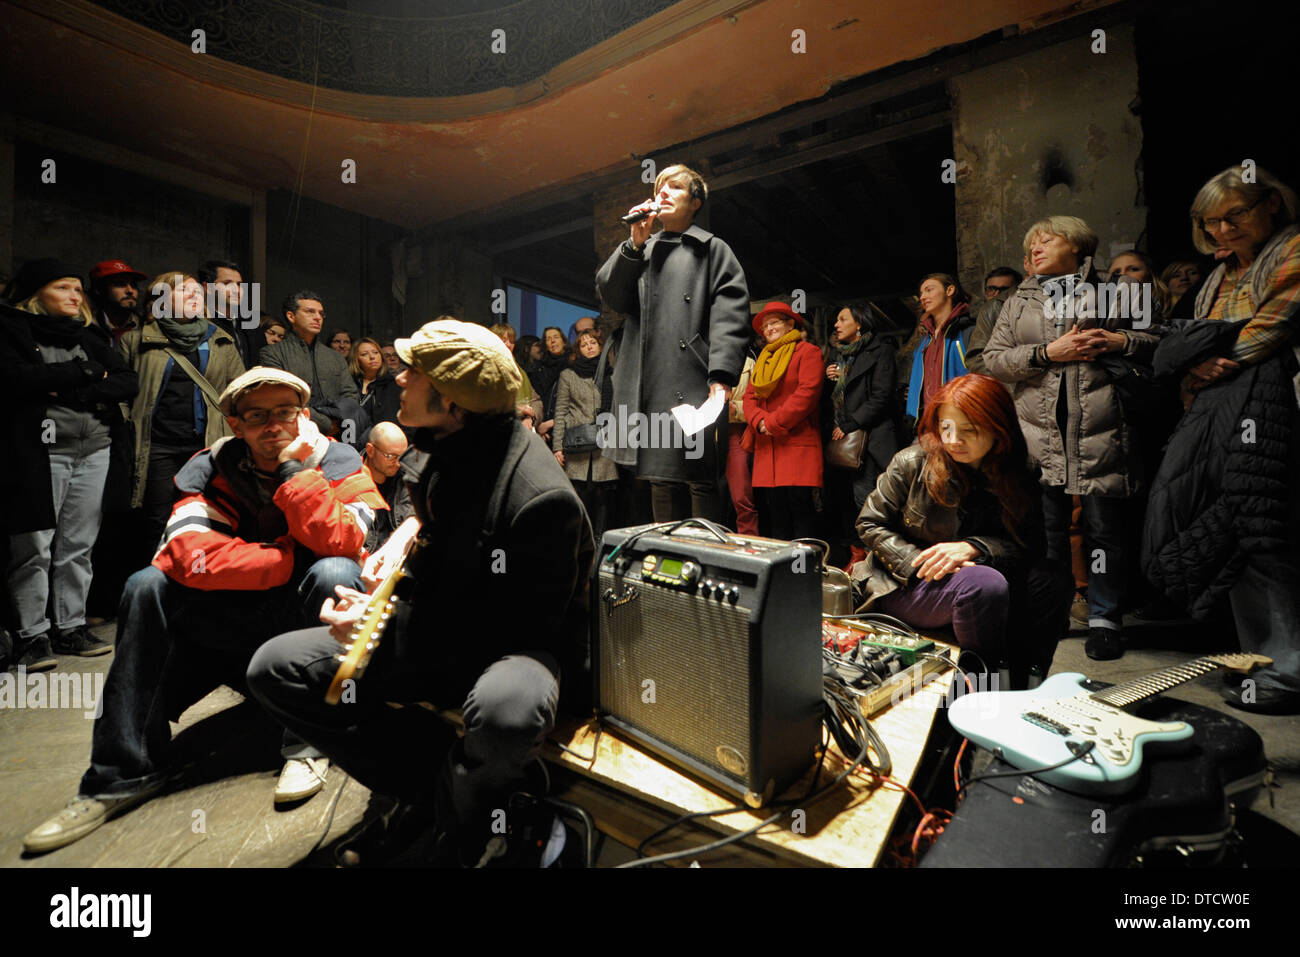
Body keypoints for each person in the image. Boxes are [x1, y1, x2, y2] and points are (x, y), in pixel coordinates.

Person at [245, 319, 595, 867]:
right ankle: (436, 792)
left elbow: (525, 628)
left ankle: (461, 826)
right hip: (442, 626)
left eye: (416, 372)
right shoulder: (439, 450)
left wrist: (388, 621)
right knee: (275, 666)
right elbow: (434, 562)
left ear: (453, 403)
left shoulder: (537, 497)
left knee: (506, 712)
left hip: (516, 646)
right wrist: (376, 603)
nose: (400, 377)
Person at [22, 368, 386, 853]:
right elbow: (186, 553)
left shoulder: (341, 463)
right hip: (228, 632)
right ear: (236, 424)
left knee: (336, 574)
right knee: (146, 584)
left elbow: (345, 542)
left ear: (303, 417)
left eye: (285, 413)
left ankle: (309, 741)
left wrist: (294, 475)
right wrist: (286, 557)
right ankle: (120, 773)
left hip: (300, 634)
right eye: (258, 416)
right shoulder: (211, 468)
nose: (272, 425)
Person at [1144, 165, 1300, 714]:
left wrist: (1211, 363)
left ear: (1271, 204)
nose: (1225, 231)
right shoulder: (1221, 272)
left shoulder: (1294, 250)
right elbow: (1195, 336)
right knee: (1233, 527)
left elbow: (1274, 325)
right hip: (1225, 410)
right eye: (1212, 224)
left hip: (1275, 405)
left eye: (1235, 215)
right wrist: (1192, 368)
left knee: (1269, 531)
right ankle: (1259, 660)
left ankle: (1291, 668)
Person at [983, 215, 1158, 662]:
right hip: (1037, 432)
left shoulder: (1117, 291)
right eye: (1031, 243)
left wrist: (1117, 341)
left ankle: (1104, 619)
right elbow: (993, 359)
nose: (1036, 248)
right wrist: (1046, 353)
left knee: (1105, 530)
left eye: (1047, 239)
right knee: (1048, 533)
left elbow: (1157, 342)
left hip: (1101, 428)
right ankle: (1053, 613)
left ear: (1078, 246)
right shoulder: (1019, 301)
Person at [852, 374, 1072, 683]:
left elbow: (1032, 545)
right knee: (982, 584)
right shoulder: (913, 462)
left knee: (1053, 579)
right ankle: (980, 684)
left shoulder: (1021, 470)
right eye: (946, 428)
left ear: (999, 428)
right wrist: (921, 561)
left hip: (982, 572)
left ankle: (1024, 682)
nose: (954, 439)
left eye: (969, 430)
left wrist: (976, 547)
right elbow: (869, 522)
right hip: (904, 581)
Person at [595, 163, 751, 522]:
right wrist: (633, 243)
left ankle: (703, 561)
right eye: (659, 187)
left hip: (692, 381)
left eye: (675, 187)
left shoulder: (713, 250)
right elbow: (613, 297)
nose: (662, 192)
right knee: (658, 479)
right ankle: (668, 563)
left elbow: (731, 315)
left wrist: (721, 375)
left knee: (699, 476)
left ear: (695, 202)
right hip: (646, 383)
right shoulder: (639, 249)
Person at [2, 261, 139, 668]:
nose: (75, 296)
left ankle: (70, 627)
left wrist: (72, 388)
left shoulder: (87, 335)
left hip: (93, 447)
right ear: (35, 293)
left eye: (78, 289)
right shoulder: (11, 328)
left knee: (78, 545)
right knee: (34, 545)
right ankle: (31, 636)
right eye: (63, 287)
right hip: (40, 449)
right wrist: (83, 372)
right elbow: (16, 378)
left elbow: (126, 380)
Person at [119, 271, 245, 567]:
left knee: (208, 515)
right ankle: (156, 585)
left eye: (197, 292)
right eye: (183, 291)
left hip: (208, 444)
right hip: (158, 445)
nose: (194, 296)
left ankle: (200, 587)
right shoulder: (135, 340)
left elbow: (240, 390)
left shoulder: (220, 340)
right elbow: (122, 392)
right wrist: (129, 422)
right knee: (158, 518)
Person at [824, 304, 901, 565]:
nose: (836, 324)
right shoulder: (839, 356)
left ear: (859, 323)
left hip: (871, 438)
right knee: (847, 501)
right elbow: (829, 400)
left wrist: (851, 423)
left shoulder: (881, 350)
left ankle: (878, 559)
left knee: (867, 499)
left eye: (842, 318)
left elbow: (882, 396)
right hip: (844, 442)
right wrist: (828, 378)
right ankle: (858, 555)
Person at [740, 302, 824, 541]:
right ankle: (782, 570)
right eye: (765, 326)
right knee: (775, 511)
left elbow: (807, 394)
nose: (768, 328)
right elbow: (749, 396)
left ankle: (803, 568)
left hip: (795, 441)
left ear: (790, 324)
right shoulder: (764, 358)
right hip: (768, 445)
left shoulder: (808, 352)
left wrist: (772, 423)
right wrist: (759, 422)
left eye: (774, 322)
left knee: (800, 508)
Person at [260, 291, 360, 441]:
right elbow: (282, 398)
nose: (317, 317)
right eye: (309, 312)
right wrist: (326, 424)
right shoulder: (272, 353)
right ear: (291, 316)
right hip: (292, 434)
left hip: (337, 435)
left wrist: (339, 422)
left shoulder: (335, 357)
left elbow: (351, 395)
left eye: (321, 313)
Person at [553, 329, 618, 546]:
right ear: (577, 350)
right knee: (578, 494)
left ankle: (600, 541)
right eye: (583, 344)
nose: (589, 346)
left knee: (603, 497)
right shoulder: (568, 375)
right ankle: (577, 541)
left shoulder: (612, 373)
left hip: (605, 442)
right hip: (577, 442)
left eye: (593, 342)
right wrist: (557, 448)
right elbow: (560, 411)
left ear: (600, 346)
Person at [903, 273, 974, 423]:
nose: (923, 297)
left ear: (949, 291)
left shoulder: (968, 331)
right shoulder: (924, 340)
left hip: (960, 420)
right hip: (926, 423)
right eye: (921, 293)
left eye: (929, 290)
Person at [198, 259, 259, 368]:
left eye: (239, 284)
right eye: (227, 283)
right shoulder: (200, 324)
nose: (236, 289)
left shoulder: (252, 325)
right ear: (208, 288)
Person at [360, 421, 409, 552]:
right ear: (370, 450)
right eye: (391, 456)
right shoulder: (350, 478)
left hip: (397, 554)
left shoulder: (407, 479)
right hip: (363, 555)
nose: (398, 463)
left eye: (402, 456)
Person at [966, 267, 1024, 378]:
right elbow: (976, 360)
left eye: (1004, 290)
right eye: (991, 289)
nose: (996, 294)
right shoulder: (986, 314)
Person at [490, 322, 543, 427]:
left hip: (521, 430)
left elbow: (536, 401)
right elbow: (485, 403)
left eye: (512, 341)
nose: (509, 344)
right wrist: (519, 410)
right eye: (504, 340)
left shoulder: (519, 371)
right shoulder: (486, 368)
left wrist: (530, 419)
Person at [350, 336, 401, 439]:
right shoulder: (350, 384)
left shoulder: (393, 385)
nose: (372, 357)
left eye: (375, 352)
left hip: (387, 440)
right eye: (365, 354)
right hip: (355, 441)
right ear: (357, 360)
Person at [87, 259, 146, 344]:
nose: (130, 291)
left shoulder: (144, 325)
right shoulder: (84, 327)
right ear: (99, 290)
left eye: (133, 285)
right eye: (120, 284)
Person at [530, 325, 571, 443]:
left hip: (567, 429)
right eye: (548, 339)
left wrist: (551, 423)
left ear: (563, 341)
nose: (553, 341)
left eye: (556, 337)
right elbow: (537, 400)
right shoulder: (539, 369)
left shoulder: (574, 365)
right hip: (544, 431)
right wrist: (540, 427)